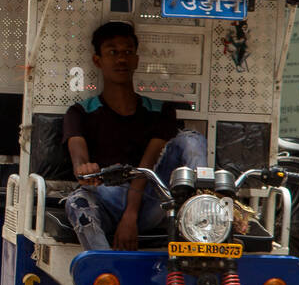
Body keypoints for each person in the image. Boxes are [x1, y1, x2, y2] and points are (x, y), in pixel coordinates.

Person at [62, 21, 207, 250]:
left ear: (137, 59)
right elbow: (79, 159)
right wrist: (84, 170)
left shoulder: (161, 110)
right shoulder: (80, 112)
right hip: (107, 200)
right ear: (97, 60)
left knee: (192, 138)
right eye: (113, 52)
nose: (121, 59)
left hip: (152, 201)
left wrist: (130, 216)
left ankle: (202, 216)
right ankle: (106, 270)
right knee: (77, 202)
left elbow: (147, 166)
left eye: (128, 52)